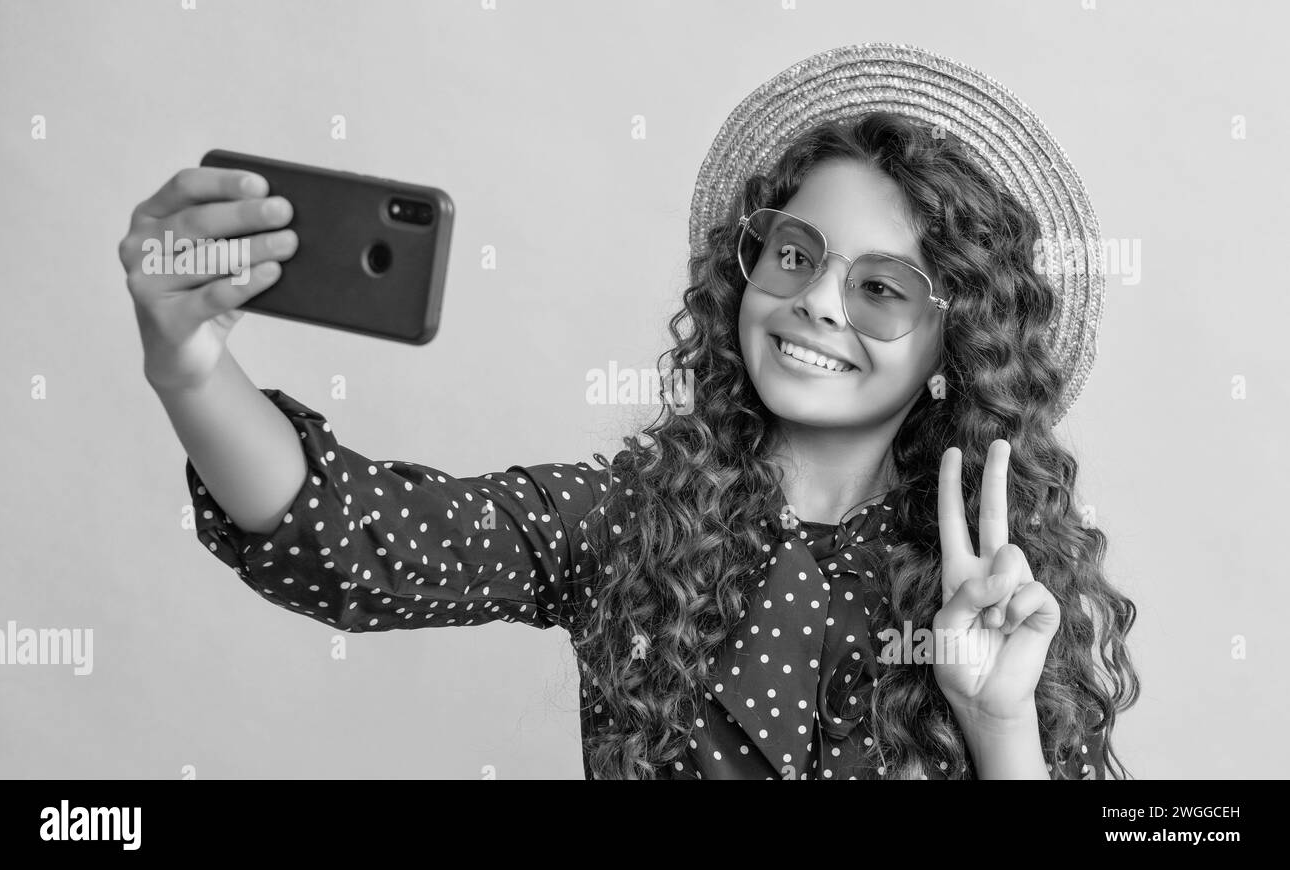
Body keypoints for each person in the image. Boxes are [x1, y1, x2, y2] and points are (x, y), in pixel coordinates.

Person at [119, 44, 1139, 780]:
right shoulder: (633, 521)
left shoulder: (995, 596)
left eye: (882, 288)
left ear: (946, 350)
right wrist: (191, 369)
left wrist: (997, 723)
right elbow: (361, 537)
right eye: (795, 253)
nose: (818, 301)